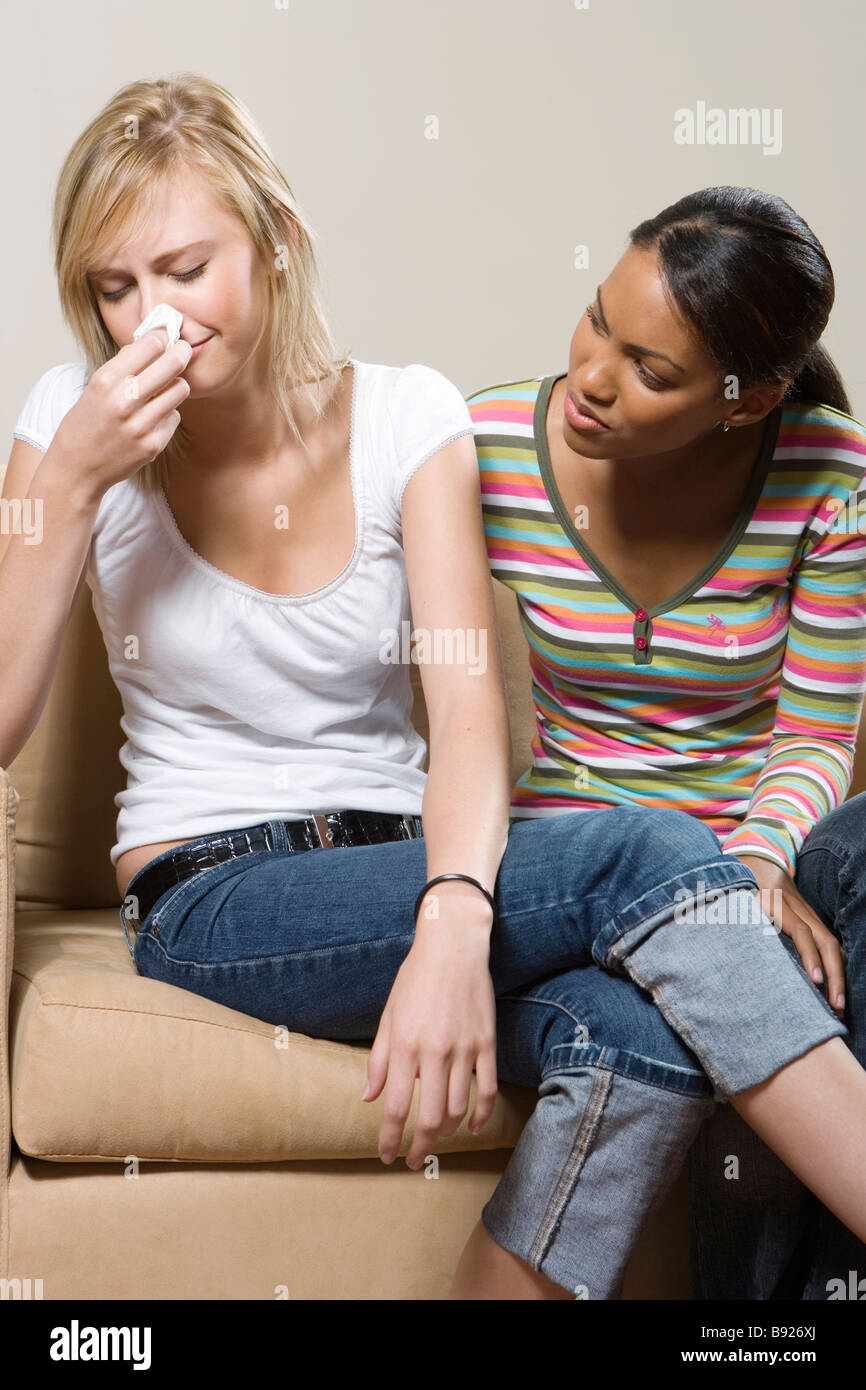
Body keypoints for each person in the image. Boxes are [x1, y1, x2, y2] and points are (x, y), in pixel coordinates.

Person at [1, 74, 864, 1300]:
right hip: (213, 892)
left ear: (277, 243)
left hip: (406, 863)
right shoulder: (61, 417)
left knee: (631, 1043)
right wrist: (75, 480)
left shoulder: (408, 414)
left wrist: (450, 918)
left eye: (184, 270)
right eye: (113, 285)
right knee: (656, 856)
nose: (151, 320)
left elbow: (463, 706)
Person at [464, 183, 866, 1299]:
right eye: (598, 320)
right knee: (706, 1004)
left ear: (747, 402)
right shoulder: (486, 442)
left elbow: (816, 731)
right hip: (575, 863)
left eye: (651, 370)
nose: (591, 376)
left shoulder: (824, 471)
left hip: (754, 857)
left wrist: (755, 860)